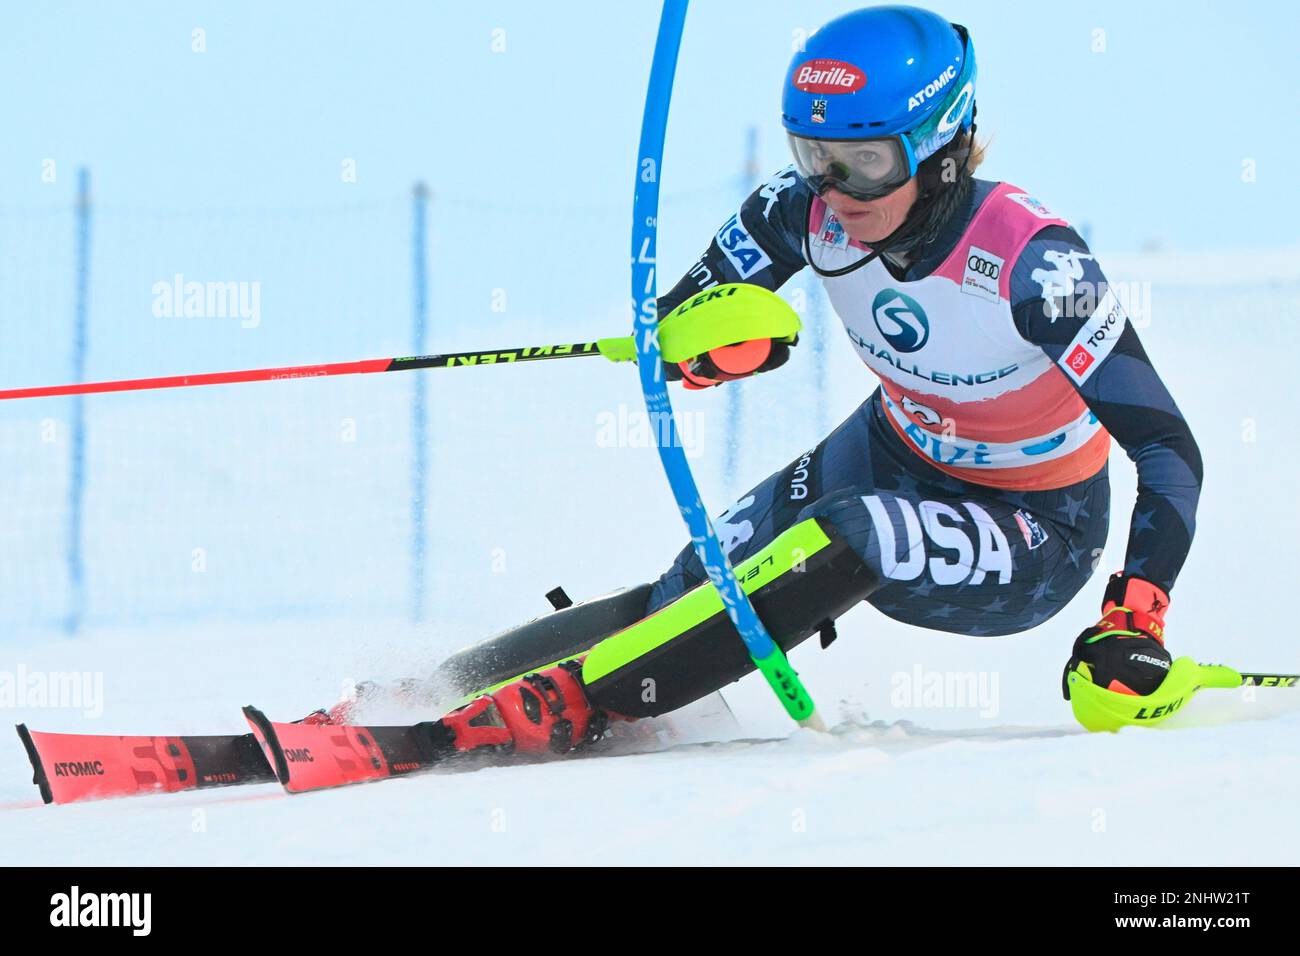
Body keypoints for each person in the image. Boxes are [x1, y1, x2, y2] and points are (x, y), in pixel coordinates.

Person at [317, 6, 1202, 753]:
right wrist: (698, 347)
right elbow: (679, 318)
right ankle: (429, 695)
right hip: (895, 452)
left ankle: (569, 707)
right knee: (692, 585)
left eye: (865, 162)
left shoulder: (1036, 265)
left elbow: (1166, 446)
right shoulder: (798, 208)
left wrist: (1136, 615)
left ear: (940, 147)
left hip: (1036, 528)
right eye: (813, 153)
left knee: (850, 530)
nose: (835, 188)